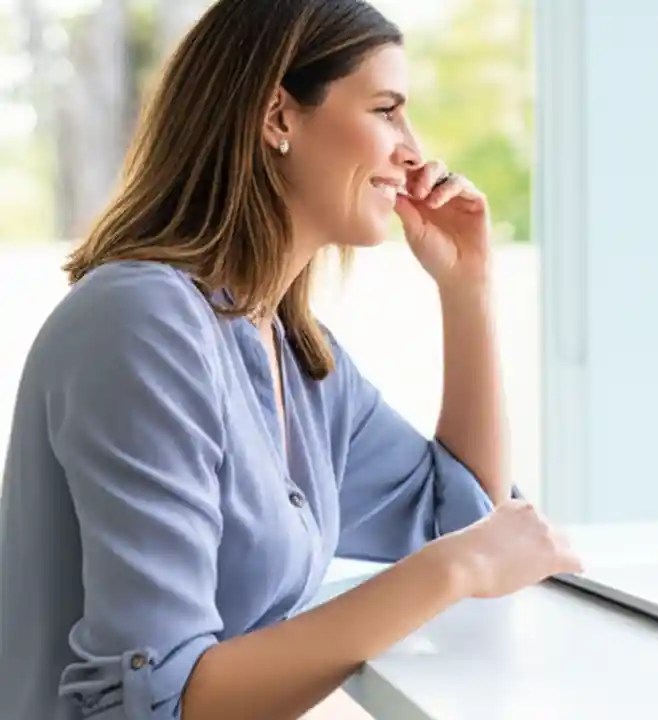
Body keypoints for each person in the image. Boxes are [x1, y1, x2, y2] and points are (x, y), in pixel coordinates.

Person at [0, 1, 582, 718]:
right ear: (278, 115)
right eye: (387, 111)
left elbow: (465, 518)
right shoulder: (142, 324)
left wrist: (469, 290)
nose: (414, 152)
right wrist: (456, 567)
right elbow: (165, 702)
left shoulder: (299, 359)